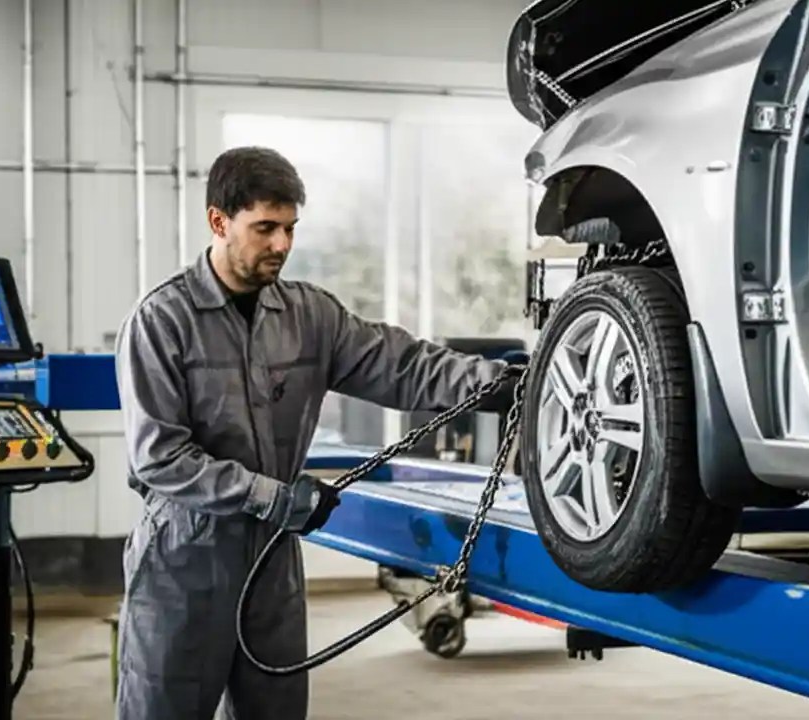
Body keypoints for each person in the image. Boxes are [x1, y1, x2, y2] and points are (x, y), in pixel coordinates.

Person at [113, 146, 522, 720]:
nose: (281, 245)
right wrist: (274, 497)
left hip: (273, 557)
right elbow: (161, 459)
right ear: (218, 221)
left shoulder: (311, 318)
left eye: (290, 229)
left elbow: (403, 365)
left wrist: (496, 384)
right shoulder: (162, 322)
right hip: (185, 558)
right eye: (265, 228)